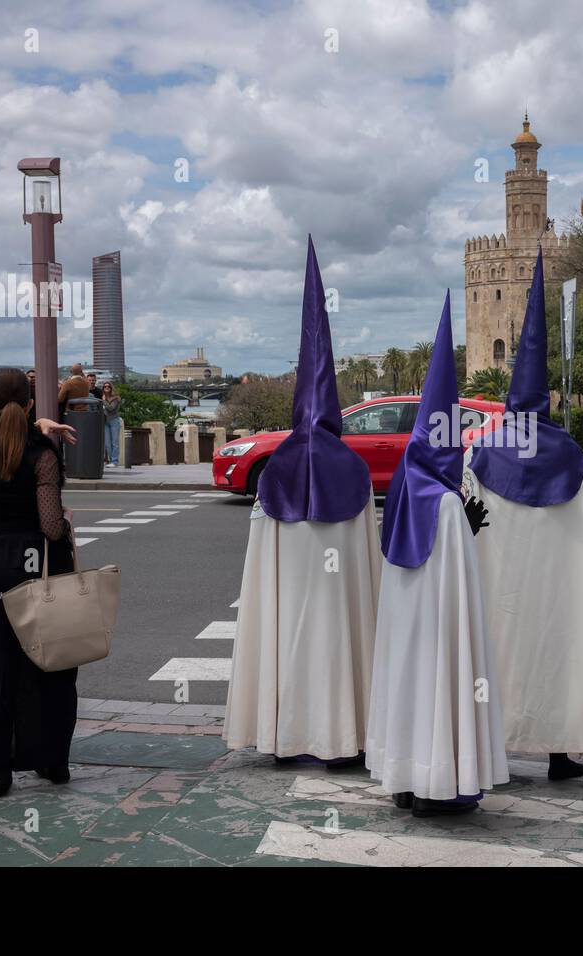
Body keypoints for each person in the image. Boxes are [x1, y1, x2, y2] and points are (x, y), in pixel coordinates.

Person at [466, 250, 583, 781]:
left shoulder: (484, 454)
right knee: (559, 653)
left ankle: (495, 747)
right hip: (559, 589)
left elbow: (468, 525)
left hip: (501, 589)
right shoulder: (572, 458)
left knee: (499, 654)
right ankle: (561, 754)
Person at [223, 238, 380, 768]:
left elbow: (258, 558)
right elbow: (370, 565)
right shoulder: (353, 470)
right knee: (341, 635)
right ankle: (342, 737)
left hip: (291, 583)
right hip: (338, 586)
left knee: (283, 632)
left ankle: (283, 737)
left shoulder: (278, 468)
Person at [365, 291, 508, 818]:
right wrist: (465, 532)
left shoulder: (405, 485)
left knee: (409, 686)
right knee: (445, 680)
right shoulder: (447, 502)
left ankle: (406, 777)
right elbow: (461, 584)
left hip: (407, 623)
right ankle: (446, 779)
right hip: (440, 625)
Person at [0, 368, 79, 797]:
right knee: (52, 667)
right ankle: (53, 762)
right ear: (30, 405)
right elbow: (50, 525)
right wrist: (66, 524)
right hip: (38, 568)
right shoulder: (41, 452)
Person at [101, 382, 122, 467]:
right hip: (105, 421)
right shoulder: (102, 397)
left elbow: (111, 408)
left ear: (111, 388)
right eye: (105, 386)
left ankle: (115, 461)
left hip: (114, 421)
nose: (106, 387)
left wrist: (103, 401)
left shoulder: (115, 398)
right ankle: (111, 461)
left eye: (108, 386)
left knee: (115, 442)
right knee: (107, 443)